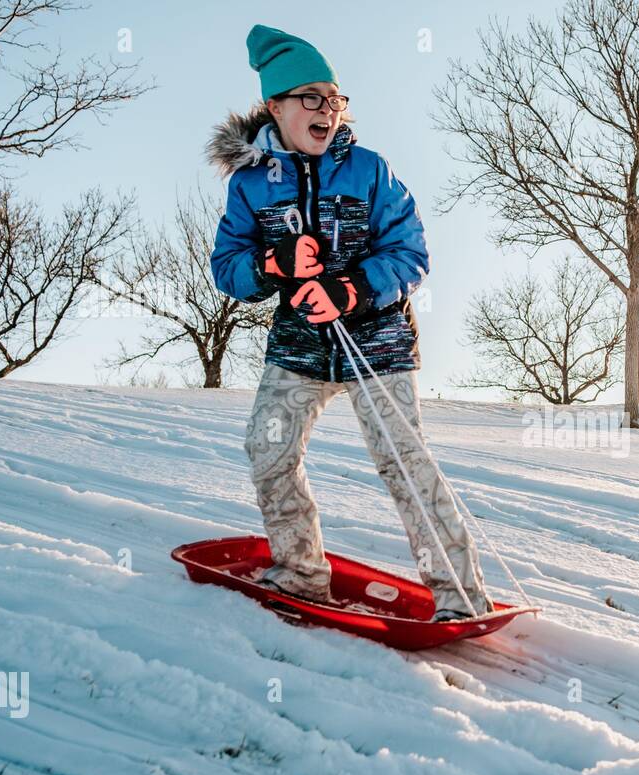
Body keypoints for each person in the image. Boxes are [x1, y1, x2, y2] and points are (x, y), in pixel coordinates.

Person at [208, 24, 492, 622]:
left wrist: (352, 288)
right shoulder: (251, 183)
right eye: (311, 97)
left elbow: (411, 255)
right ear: (276, 107)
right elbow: (227, 267)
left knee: (403, 462)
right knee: (269, 448)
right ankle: (302, 573)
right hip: (299, 345)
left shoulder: (368, 170)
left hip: (378, 341)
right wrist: (272, 262)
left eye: (335, 98)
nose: (327, 110)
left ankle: (460, 597)